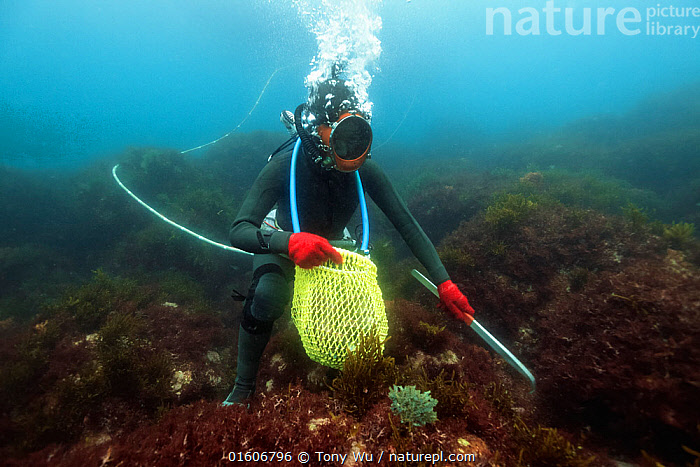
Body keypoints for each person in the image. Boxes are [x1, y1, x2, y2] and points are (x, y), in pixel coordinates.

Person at [223, 78, 475, 406]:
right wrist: (288, 243)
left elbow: (408, 226)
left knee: (354, 312)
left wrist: (445, 282)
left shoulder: (365, 170)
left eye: (359, 132)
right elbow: (239, 230)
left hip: (331, 243)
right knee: (269, 296)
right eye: (343, 132)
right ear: (319, 128)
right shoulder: (285, 166)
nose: (353, 146)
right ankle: (243, 387)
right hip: (284, 236)